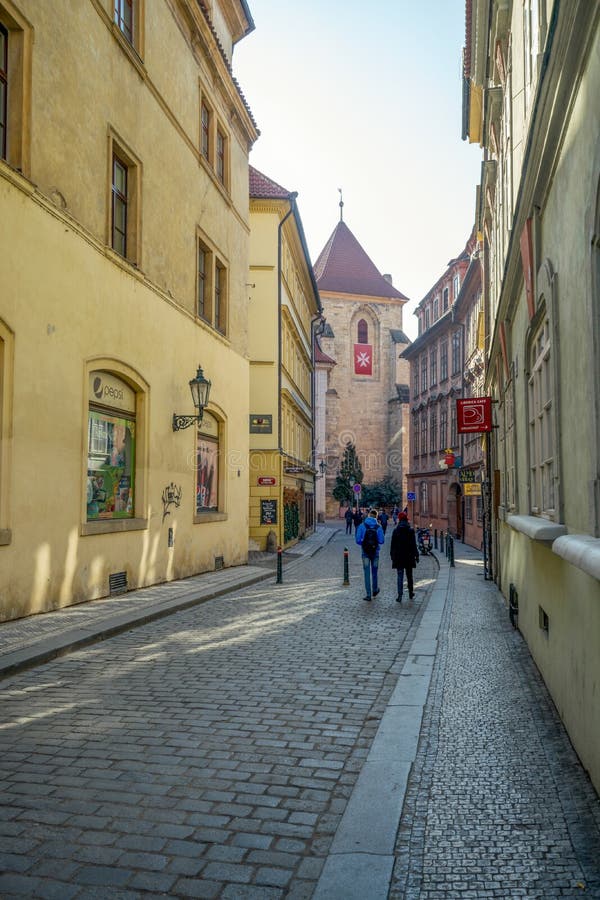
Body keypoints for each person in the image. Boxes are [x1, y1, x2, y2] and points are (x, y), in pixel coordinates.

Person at [355, 507, 385, 602]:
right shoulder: (378, 527)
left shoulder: (362, 526)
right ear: (376, 517)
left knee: (367, 573)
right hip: (375, 552)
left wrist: (363, 543)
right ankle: (375, 590)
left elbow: (357, 540)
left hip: (365, 553)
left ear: (368, 516)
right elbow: (382, 541)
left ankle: (368, 594)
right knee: (375, 572)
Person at [389, 511, 419, 602]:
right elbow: (414, 545)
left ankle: (400, 595)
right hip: (409, 557)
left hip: (399, 557)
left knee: (400, 575)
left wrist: (392, 556)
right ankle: (411, 592)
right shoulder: (410, 530)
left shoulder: (396, 531)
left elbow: (392, 545)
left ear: (399, 519)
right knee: (409, 575)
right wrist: (416, 555)